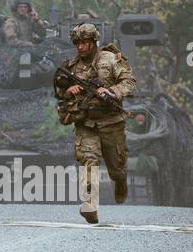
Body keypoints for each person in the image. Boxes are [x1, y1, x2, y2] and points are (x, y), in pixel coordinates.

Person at [54, 22, 136, 223]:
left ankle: (120, 181)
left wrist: (111, 92)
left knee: (117, 166)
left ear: (93, 42)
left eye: (85, 43)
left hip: (111, 122)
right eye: (77, 43)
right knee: (88, 160)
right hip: (86, 123)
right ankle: (90, 204)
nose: (80, 47)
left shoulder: (111, 60)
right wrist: (68, 91)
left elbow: (129, 82)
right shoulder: (71, 67)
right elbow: (59, 90)